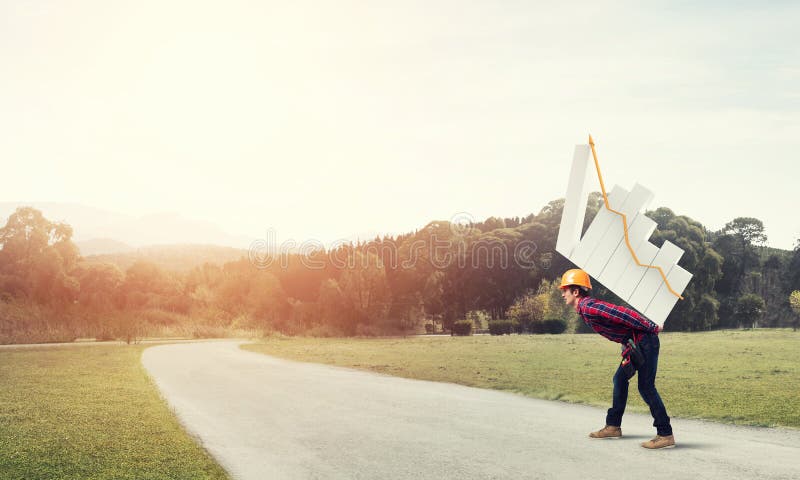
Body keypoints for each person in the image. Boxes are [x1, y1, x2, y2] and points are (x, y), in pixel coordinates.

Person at [559, 268, 675, 449]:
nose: (562, 294)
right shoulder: (585, 309)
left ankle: (665, 434)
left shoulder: (589, 307)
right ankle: (613, 426)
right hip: (635, 344)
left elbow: (623, 314)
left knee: (646, 386)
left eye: (564, 290)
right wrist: (626, 344)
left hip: (645, 341)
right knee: (619, 379)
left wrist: (652, 327)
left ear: (575, 291)